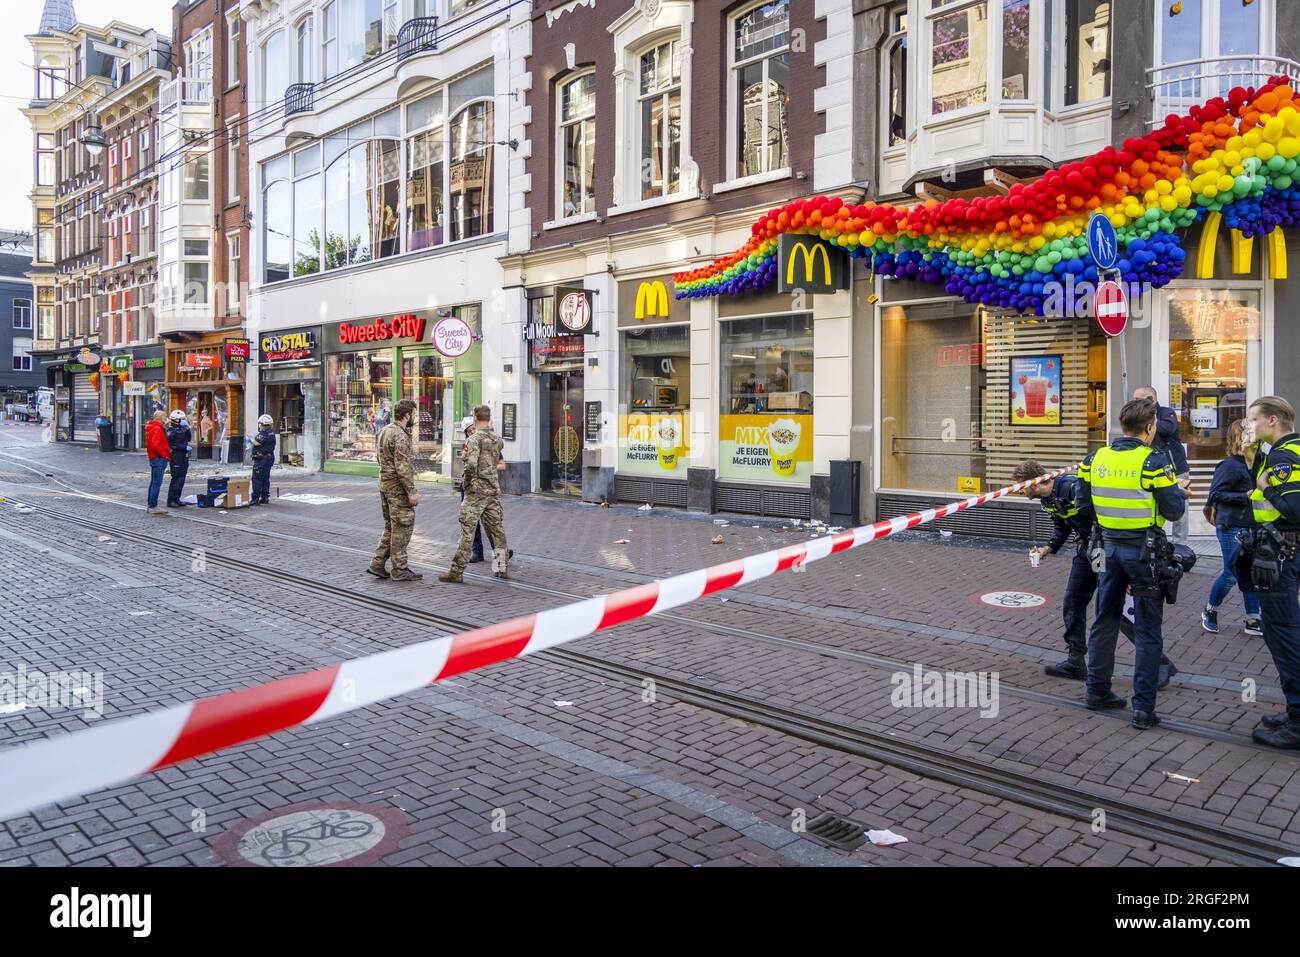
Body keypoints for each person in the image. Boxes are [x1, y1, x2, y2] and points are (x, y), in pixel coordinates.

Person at [1019, 458, 1179, 687]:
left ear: (1033, 483)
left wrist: (1119, 568)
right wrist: (1049, 547)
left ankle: (1160, 663)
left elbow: (1103, 518)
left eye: (1020, 486)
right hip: (1086, 551)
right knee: (1073, 601)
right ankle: (1076, 661)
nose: (1019, 490)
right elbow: (1062, 526)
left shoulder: (1071, 488)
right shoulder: (1047, 500)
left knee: (1111, 606)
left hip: (1102, 551)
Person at [1078, 397, 1186, 729]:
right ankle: (1142, 708)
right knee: (1148, 629)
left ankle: (1097, 691)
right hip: (1144, 552)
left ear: (1122, 426)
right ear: (1150, 427)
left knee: (1105, 619)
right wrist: (1178, 491)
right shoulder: (1154, 461)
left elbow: (1083, 505)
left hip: (1108, 549)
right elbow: (1173, 511)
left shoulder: (1095, 458)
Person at [1243, 396, 1300, 748]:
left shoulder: (1284, 456)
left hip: (1282, 553)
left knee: (1283, 633)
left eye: (1254, 420)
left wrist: (1264, 484)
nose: (1251, 427)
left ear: (1274, 420)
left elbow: (1292, 507)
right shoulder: (1285, 452)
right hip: (1287, 549)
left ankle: (1297, 721)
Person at [1201, 418, 1262, 635]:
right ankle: (1210, 610)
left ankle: (1253, 618)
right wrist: (1245, 496)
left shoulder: (1258, 464)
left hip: (1253, 526)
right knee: (1231, 573)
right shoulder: (1229, 466)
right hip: (1231, 526)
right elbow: (1215, 495)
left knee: (1252, 572)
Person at [440, 405, 510, 583]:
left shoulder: (472, 440)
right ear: (489, 418)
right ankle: (500, 568)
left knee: (467, 532)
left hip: (476, 492)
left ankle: (456, 572)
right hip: (492, 491)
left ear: (475, 418)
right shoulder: (497, 439)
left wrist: (467, 483)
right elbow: (496, 462)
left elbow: (470, 465)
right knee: (497, 532)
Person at [368, 398, 422, 582]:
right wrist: (411, 492)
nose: (414, 417)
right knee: (402, 527)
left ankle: (377, 563)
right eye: (414, 414)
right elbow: (403, 467)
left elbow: (379, 458)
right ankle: (400, 568)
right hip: (397, 489)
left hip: (384, 485)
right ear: (407, 415)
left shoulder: (384, 431)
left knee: (390, 527)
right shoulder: (399, 435)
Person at [1134, 386, 1191, 545]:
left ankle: (1180, 546)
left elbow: (1168, 428)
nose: (1135, 403)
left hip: (1175, 469)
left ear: (1152, 400)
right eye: (1134, 400)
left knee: (1180, 508)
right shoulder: (1137, 417)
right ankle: (1158, 543)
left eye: (1140, 400)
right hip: (1153, 469)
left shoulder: (1166, 413)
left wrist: (1151, 413)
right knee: (1155, 505)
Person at [457, 415, 485, 563]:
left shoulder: (487, 442)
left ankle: (500, 551)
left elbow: (501, 464)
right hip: (470, 486)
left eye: (474, 428)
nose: (473, 432)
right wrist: (466, 483)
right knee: (470, 520)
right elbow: (468, 467)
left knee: (492, 521)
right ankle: (477, 551)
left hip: (485, 486)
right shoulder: (468, 445)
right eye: (469, 430)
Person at [144, 410, 170, 515]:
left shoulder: (152, 427)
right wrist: (164, 455)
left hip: (155, 458)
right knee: (156, 483)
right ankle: (153, 506)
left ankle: (151, 504)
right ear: (160, 417)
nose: (166, 418)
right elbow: (156, 445)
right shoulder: (157, 429)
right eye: (165, 416)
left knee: (154, 482)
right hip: (159, 458)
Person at [165, 410, 192, 508]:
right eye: (181, 420)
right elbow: (171, 445)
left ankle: (177, 499)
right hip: (176, 457)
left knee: (181, 479)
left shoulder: (183, 429)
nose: (182, 421)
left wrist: (188, 428)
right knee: (176, 479)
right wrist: (183, 447)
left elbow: (188, 438)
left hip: (183, 457)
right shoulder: (170, 431)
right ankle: (171, 500)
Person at [250, 413, 277, 506]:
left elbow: (256, 443)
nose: (259, 425)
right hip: (269, 459)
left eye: (260, 424)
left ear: (263, 424)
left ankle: (255, 498)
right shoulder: (272, 434)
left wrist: (249, 438)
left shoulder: (263, 434)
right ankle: (265, 497)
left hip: (261, 459)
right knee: (265, 478)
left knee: (257, 478)